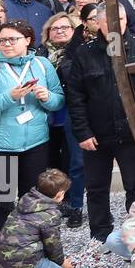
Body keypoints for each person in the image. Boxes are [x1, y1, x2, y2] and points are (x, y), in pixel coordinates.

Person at [0, 20, 65, 268]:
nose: (6, 44)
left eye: (13, 39)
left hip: (35, 143)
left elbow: (58, 100)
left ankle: (30, 249)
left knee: (32, 200)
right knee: (0, 202)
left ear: (28, 41)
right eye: (2, 40)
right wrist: (9, 97)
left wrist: (47, 98)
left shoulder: (42, 64)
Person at [64, 4, 135, 246]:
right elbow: (75, 97)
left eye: (120, 18)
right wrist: (82, 132)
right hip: (97, 134)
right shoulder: (84, 53)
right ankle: (101, 235)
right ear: (98, 23)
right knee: (96, 187)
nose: (116, 24)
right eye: (109, 20)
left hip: (132, 133)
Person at [0, 168, 74, 268]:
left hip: (2, 260)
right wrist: (61, 262)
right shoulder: (50, 214)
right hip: (26, 262)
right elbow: (53, 244)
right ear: (60, 195)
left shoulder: (25, 201)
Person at [39, 12, 84, 228]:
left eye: (64, 27)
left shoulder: (80, 52)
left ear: (74, 30)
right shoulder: (39, 54)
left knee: (74, 162)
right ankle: (53, 203)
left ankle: (75, 205)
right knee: (50, 163)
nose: (59, 31)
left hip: (71, 113)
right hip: (46, 115)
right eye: (54, 28)